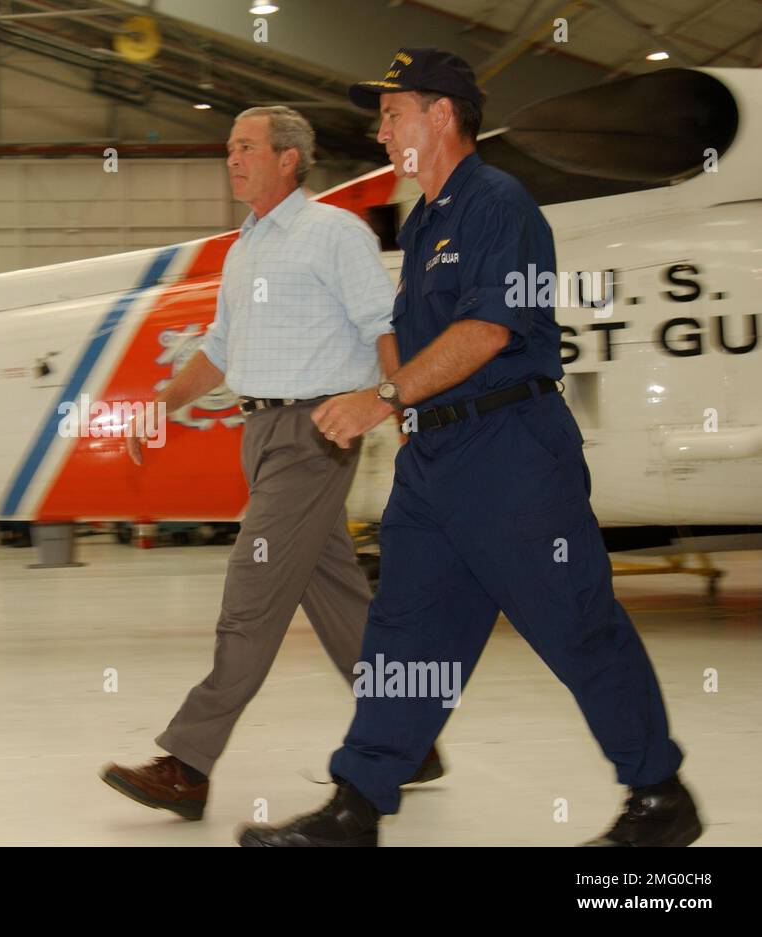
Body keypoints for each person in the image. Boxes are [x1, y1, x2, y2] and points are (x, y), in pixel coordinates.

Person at [239, 49, 700, 847]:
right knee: (405, 631)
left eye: (392, 114)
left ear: (441, 114)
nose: (380, 132)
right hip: (436, 459)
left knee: (574, 624)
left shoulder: (500, 206)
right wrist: (386, 402)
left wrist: (380, 399)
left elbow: (488, 329)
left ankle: (660, 795)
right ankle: (359, 800)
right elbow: (412, 343)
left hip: (511, 453)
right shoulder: (425, 222)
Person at [100, 105, 442, 822]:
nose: (232, 158)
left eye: (246, 146)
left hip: (317, 428)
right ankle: (411, 737)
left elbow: (384, 324)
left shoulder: (333, 234)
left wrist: (402, 405)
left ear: (289, 159)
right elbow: (222, 347)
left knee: (252, 592)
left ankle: (188, 762)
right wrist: (163, 402)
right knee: (337, 595)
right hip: (261, 431)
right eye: (230, 147)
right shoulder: (247, 245)